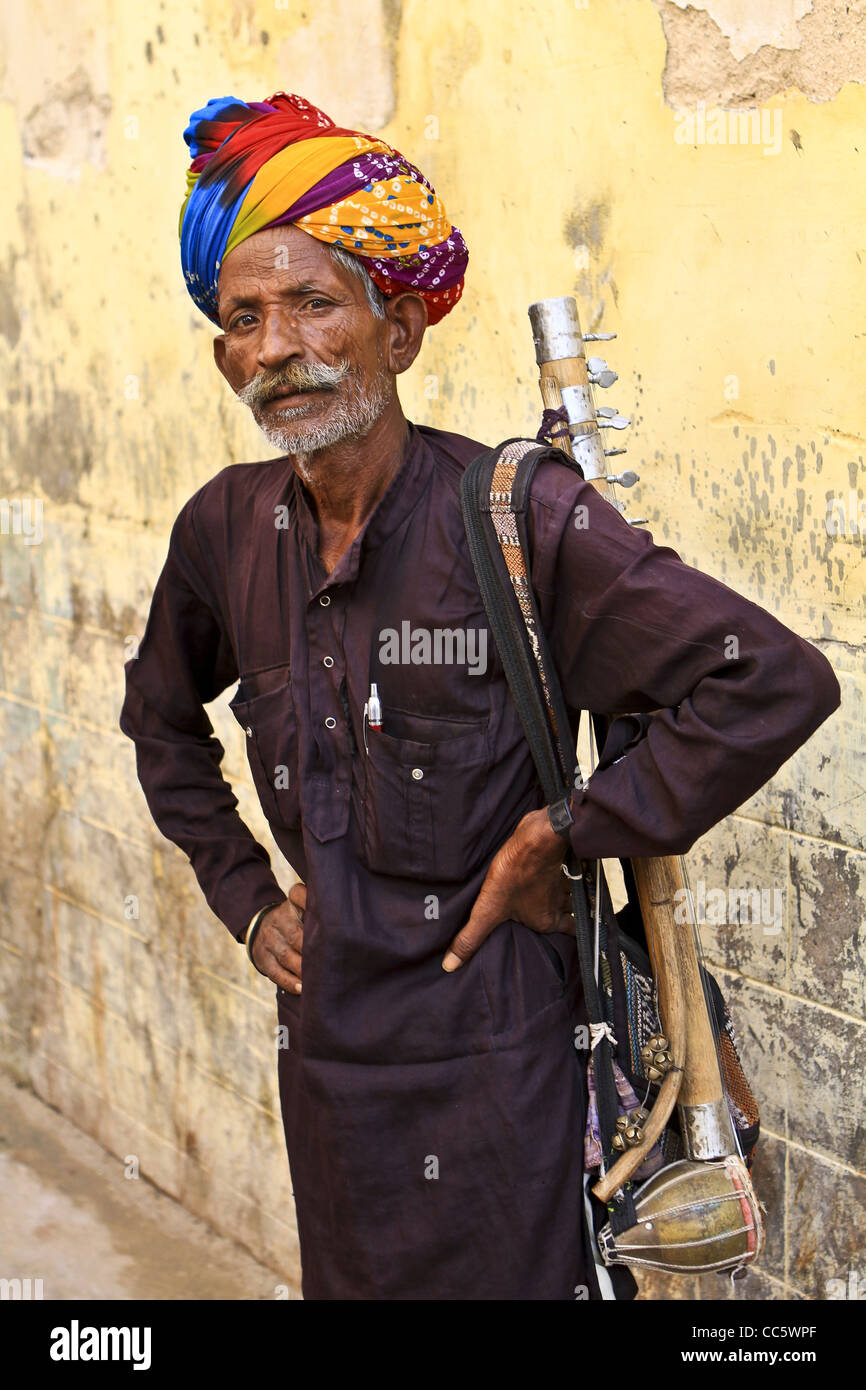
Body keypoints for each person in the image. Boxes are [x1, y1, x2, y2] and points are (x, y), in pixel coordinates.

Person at [120, 91, 840, 1300]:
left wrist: (564, 832)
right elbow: (160, 727)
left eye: (313, 302)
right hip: (334, 1066)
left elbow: (764, 681)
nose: (279, 345)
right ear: (222, 356)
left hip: (505, 1057)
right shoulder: (224, 535)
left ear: (396, 329)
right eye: (245, 319)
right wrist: (246, 897)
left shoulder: (516, 516)